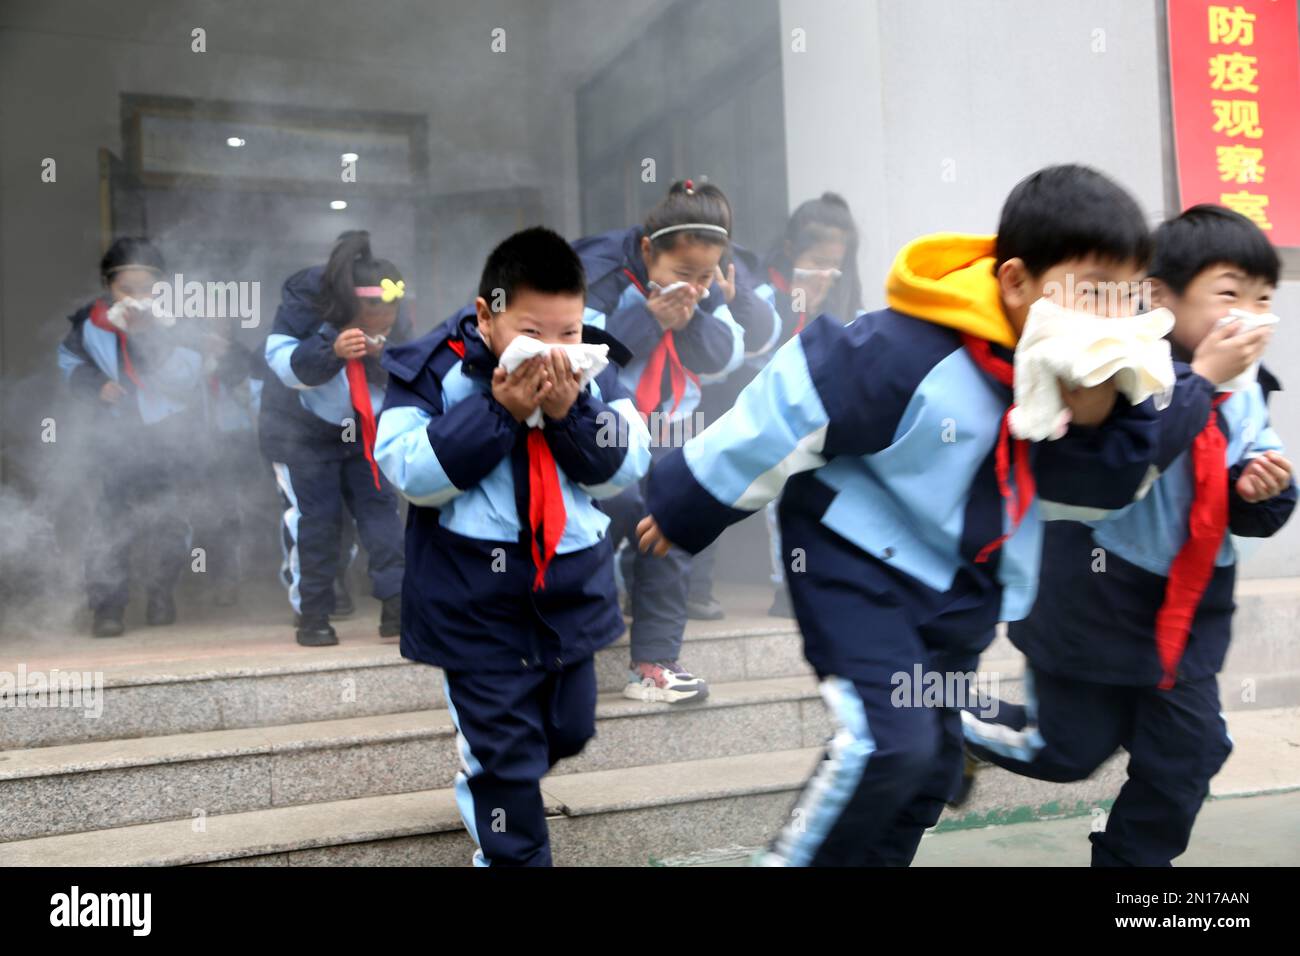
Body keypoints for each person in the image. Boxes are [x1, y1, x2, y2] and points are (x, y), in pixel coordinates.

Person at [637, 165, 1163, 865]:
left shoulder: (1090, 371)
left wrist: (1095, 408)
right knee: (890, 743)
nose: (1111, 314)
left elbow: (1108, 484)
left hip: (961, 594)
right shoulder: (911, 345)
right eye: (1092, 291)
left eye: (1125, 296)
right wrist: (687, 501)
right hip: (855, 564)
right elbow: (789, 405)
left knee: (928, 770)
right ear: (1015, 282)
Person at [961, 204, 1293, 866]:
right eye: (1229, 294)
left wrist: (1265, 489)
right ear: (1158, 297)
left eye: (1263, 299)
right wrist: (1203, 377)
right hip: (1091, 606)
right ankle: (947, 725)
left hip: (1187, 620)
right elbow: (1131, 459)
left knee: (1190, 752)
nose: (1248, 316)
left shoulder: (1246, 390)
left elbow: (1250, 490)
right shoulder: (1118, 363)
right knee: (1066, 752)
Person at [374, 226, 650, 865]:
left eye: (569, 332)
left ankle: (500, 774)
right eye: (533, 332)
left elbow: (625, 467)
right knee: (506, 763)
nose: (554, 351)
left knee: (570, 729)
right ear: (486, 317)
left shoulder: (595, 365)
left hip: (570, 594)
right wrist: (496, 411)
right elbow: (409, 471)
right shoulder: (433, 365)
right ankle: (505, 835)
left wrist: (570, 415)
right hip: (474, 603)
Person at [572, 179, 750, 703]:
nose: (695, 284)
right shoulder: (601, 269)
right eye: (682, 274)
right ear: (649, 250)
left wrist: (692, 315)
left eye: (705, 276)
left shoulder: (702, 277)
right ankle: (561, 651)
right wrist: (646, 320)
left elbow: (726, 356)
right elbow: (577, 350)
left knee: (667, 531)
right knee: (601, 527)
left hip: (673, 428)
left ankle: (654, 664)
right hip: (605, 427)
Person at [260, 230, 409, 646]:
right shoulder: (304, 307)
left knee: (382, 514)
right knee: (316, 522)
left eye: (389, 322)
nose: (382, 328)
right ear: (349, 309)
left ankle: (398, 605)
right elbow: (285, 367)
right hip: (301, 437)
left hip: (364, 434)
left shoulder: (395, 310)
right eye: (371, 323)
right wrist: (331, 347)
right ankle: (313, 614)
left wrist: (385, 356)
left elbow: (411, 370)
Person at [57, 237, 205, 636]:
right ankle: (108, 609)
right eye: (128, 289)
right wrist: (95, 386)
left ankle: (160, 594)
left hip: (165, 436)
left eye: (149, 290)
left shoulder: (179, 325)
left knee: (167, 519)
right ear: (109, 286)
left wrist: (148, 339)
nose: (139, 298)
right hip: (112, 438)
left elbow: (189, 378)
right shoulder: (88, 323)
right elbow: (70, 362)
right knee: (108, 522)